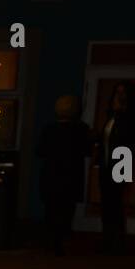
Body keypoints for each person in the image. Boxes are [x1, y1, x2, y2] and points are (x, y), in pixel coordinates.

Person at [35, 93, 92, 254]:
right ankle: (60, 242)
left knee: (51, 211)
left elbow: (40, 151)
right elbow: (87, 150)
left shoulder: (49, 129)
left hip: (52, 176)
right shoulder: (81, 130)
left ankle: (51, 242)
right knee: (66, 212)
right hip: (71, 177)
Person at [94, 81, 135, 255]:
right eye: (117, 92)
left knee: (115, 204)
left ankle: (116, 243)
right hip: (107, 165)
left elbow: (126, 139)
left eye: (123, 93)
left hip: (119, 165)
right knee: (107, 204)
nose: (119, 96)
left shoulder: (128, 117)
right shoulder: (111, 117)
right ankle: (108, 241)